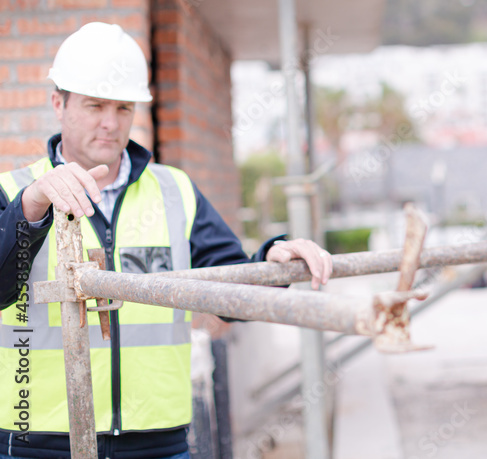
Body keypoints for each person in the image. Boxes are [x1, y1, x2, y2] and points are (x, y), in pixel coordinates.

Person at [0, 22, 334, 458]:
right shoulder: (14, 191)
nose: (110, 122)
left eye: (123, 108)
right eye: (95, 105)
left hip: (157, 440)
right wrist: (31, 206)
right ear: (58, 103)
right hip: (37, 441)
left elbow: (228, 291)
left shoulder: (174, 191)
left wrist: (272, 260)